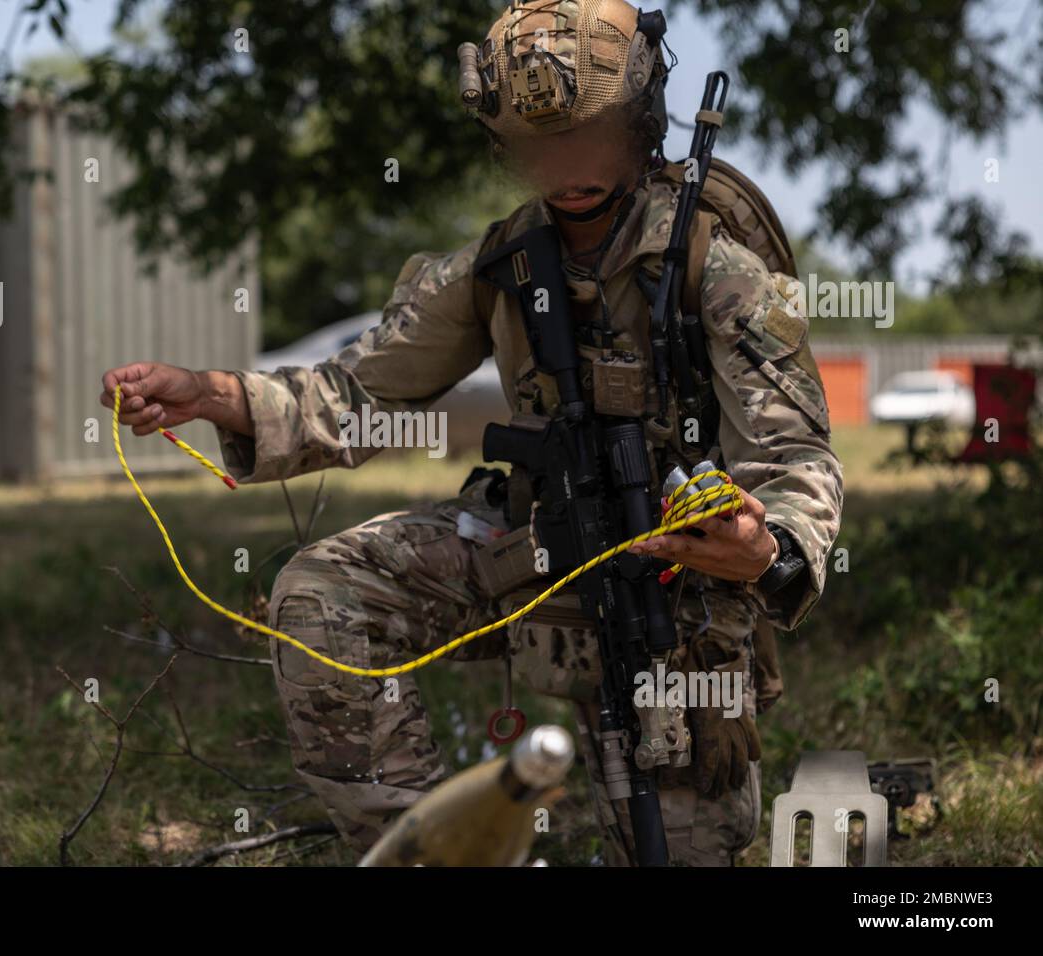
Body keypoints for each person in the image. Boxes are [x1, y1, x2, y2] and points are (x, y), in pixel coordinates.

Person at [100, 0, 842, 865]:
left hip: (671, 587)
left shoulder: (717, 272)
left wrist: (769, 548)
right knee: (323, 593)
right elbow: (351, 391)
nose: (565, 163)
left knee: (676, 849)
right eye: (542, 141)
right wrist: (210, 393)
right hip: (534, 548)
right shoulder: (498, 264)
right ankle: (421, 851)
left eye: (587, 134)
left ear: (637, 121)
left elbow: (795, 457)